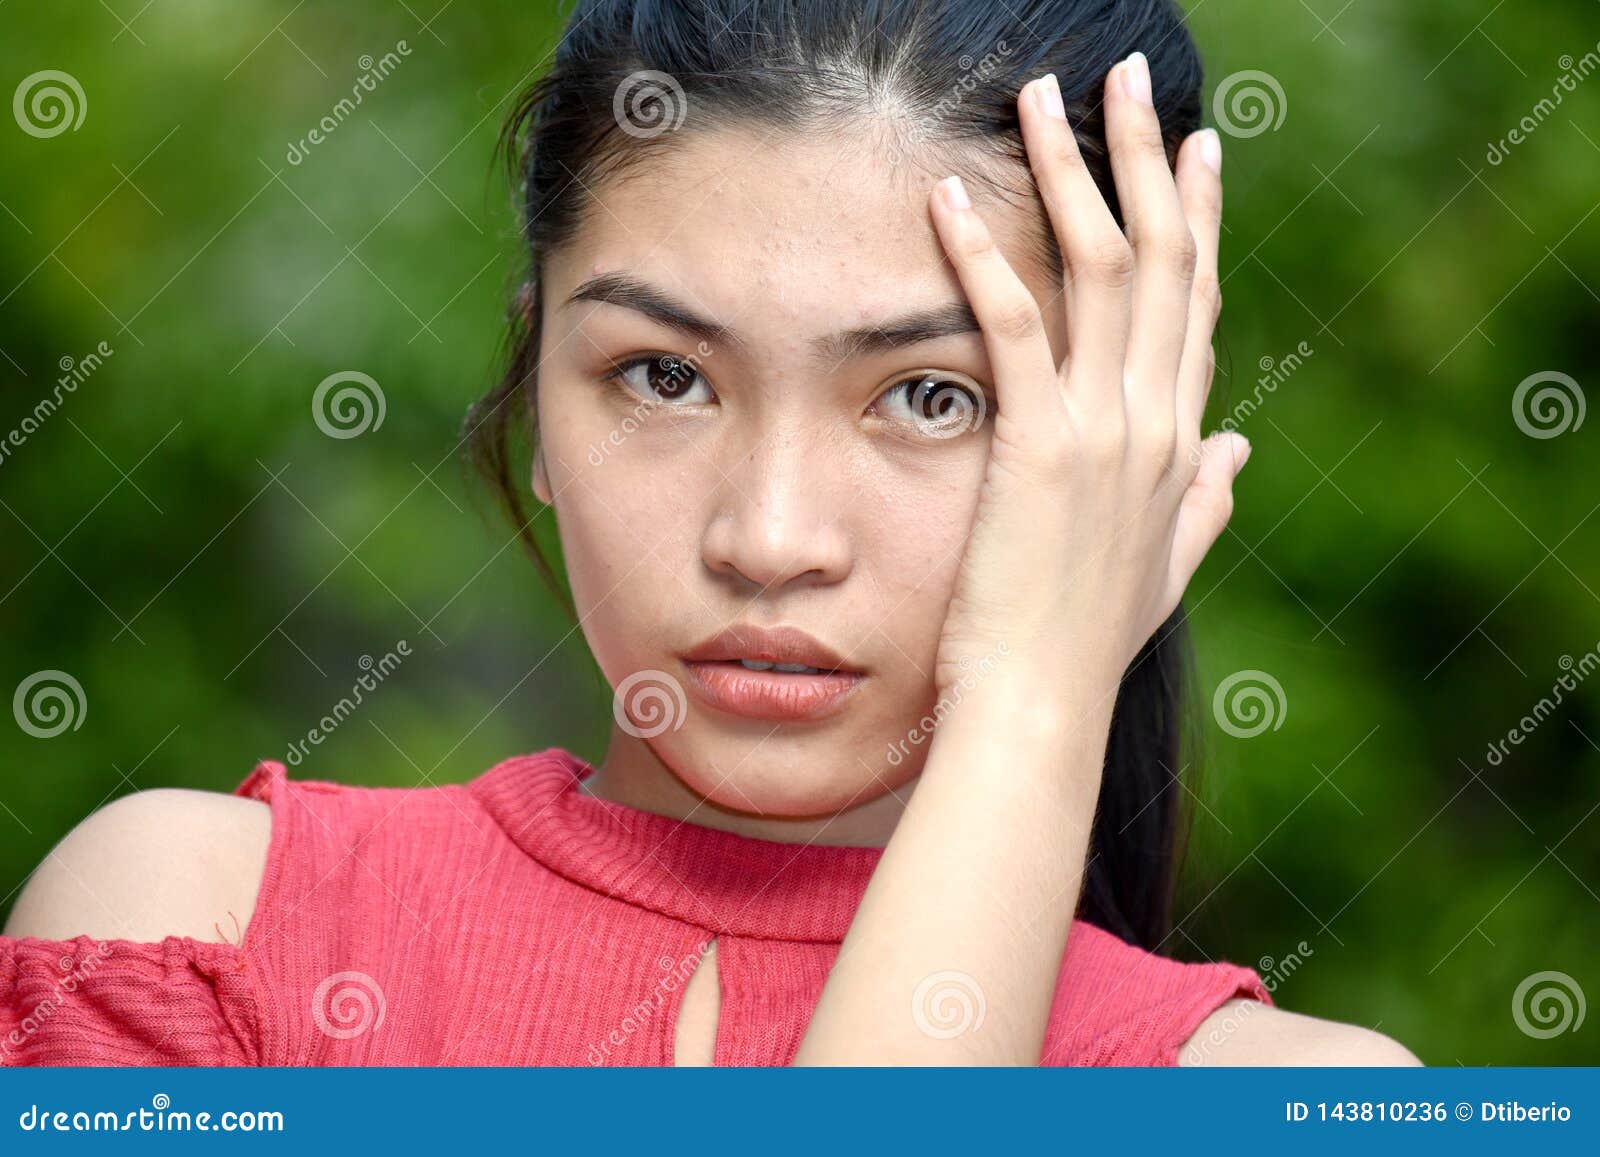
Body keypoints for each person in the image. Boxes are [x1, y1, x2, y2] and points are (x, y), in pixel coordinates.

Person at [2, 0, 1420, 1066]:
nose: (770, 535)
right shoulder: (200, 928)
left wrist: (1031, 707)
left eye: (932, 396)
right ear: (536, 386)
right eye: (664, 377)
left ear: (1125, 441)